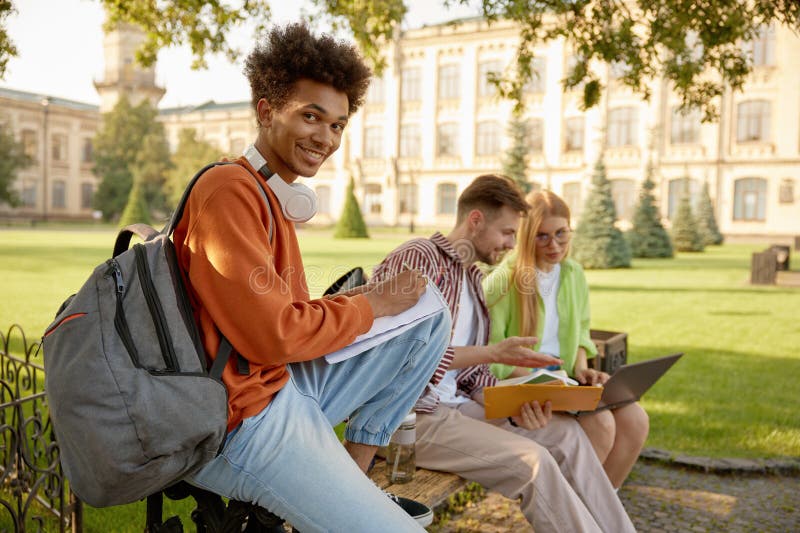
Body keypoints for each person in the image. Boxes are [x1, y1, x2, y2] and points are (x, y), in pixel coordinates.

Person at [173, 23, 450, 532]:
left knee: (426, 311)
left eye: (338, 125)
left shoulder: (268, 197)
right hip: (241, 422)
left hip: (277, 389)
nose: (325, 138)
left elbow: (287, 318)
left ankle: (352, 477)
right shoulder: (229, 190)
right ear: (265, 111)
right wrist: (373, 307)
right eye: (311, 117)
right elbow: (275, 334)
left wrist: (369, 299)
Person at [371, 175, 635, 532]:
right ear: (475, 220)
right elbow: (395, 355)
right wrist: (491, 352)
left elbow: (471, 379)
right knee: (534, 463)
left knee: (567, 435)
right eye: (508, 233)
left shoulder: (472, 279)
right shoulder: (420, 257)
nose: (513, 244)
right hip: (409, 417)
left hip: (458, 408)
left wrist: (515, 406)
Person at [484, 189, 650, 489]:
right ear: (525, 236)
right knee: (601, 423)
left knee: (636, 419)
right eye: (542, 236)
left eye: (561, 233)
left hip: (565, 384)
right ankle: (573, 513)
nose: (554, 245)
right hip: (521, 387)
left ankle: (598, 508)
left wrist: (583, 368)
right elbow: (491, 359)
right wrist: (543, 379)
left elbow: (582, 332)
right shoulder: (504, 281)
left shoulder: (573, 273)